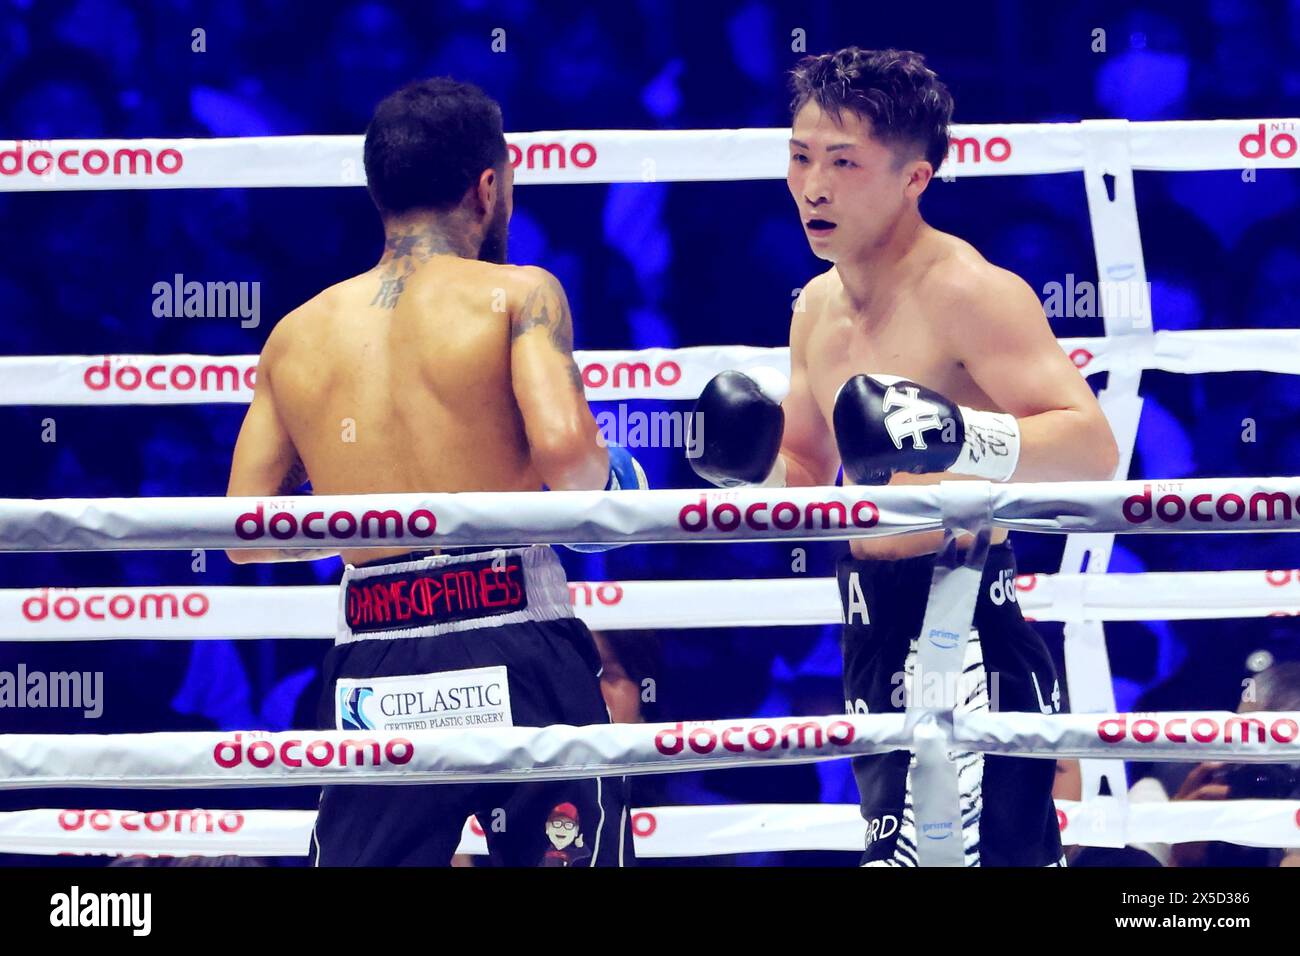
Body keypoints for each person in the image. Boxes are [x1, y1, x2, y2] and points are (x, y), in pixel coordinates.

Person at [689, 48, 1119, 866]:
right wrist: (748, 467)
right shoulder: (815, 306)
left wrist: (957, 433)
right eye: (801, 156)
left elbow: (1092, 448)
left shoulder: (969, 290)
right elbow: (811, 476)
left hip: (964, 624)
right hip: (868, 626)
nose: (813, 186)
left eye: (843, 164)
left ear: (914, 178)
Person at [225, 77, 644, 866]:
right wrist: (615, 481)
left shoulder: (296, 334)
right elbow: (567, 458)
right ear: (488, 187)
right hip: (512, 626)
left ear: (378, 191)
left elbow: (248, 534)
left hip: (377, 647)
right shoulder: (521, 294)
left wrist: (358, 499)